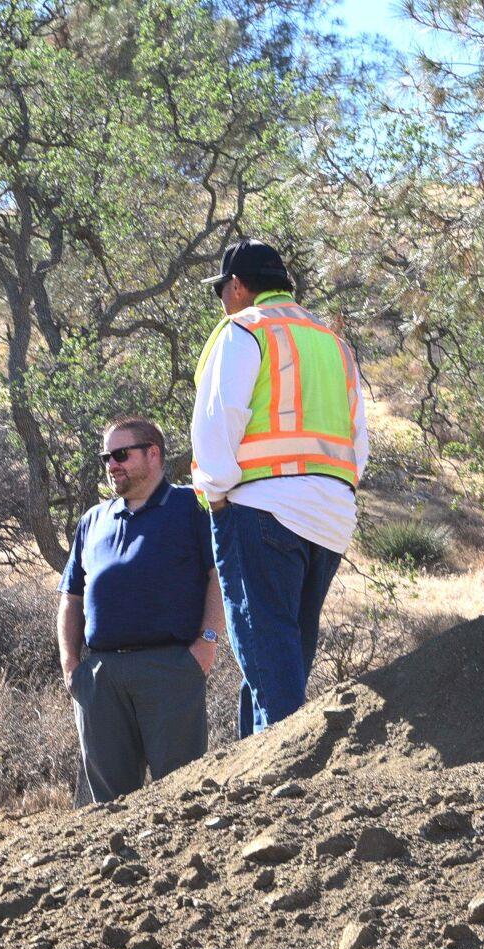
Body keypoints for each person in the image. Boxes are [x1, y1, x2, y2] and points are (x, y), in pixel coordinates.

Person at [190, 239, 370, 738]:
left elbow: (217, 420)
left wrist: (218, 495)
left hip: (260, 507)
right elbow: (359, 440)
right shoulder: (333, 343)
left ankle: (291, 783)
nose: (222, 301)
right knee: (285, 656)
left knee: (268, 656)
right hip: (331, 519)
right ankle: (258, 772)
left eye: (221, 290)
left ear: (239, 286)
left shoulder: (243, 330)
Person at [57, 418, 225, 804]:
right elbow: (71, 597)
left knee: (183, 799)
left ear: (154, 453)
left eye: (121, 454)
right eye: (106, 457)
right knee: (107, 807)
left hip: (169, 670)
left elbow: (219, 575)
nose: (111, 465)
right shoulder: (93, 520)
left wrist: (208, 642)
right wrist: (71, 666)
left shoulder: (191, 506)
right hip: (101, 677)